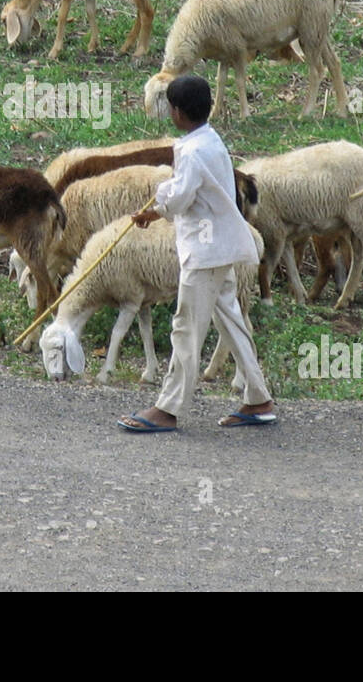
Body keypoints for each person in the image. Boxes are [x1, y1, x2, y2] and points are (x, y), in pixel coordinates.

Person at [116, 75, 277, 433]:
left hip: (204, 253)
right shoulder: (211, 140)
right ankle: (258, 398)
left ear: (176, 112)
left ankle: (167, 408)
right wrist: (160, 203)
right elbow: (192, 185)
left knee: (186, 327)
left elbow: (181, 196)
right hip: (221, 245)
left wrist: (156, 204)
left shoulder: (188, 150)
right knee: (231, 321)